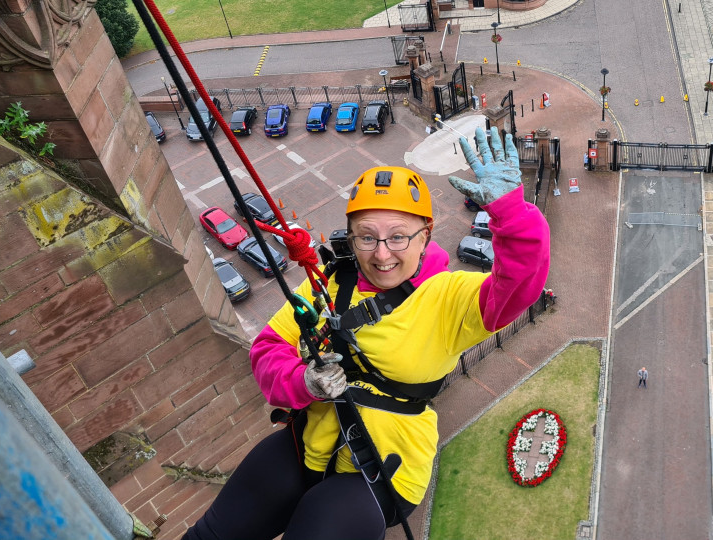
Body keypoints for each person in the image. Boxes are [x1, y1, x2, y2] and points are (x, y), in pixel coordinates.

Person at [181, 127, 550, 540]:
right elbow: (270, 348)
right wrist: (301, 381)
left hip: (383, 469)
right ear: (351, 238)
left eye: (398, 237)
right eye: (367, 237)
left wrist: (513, 215)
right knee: (214, 533)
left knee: (320, 524)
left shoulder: (448, 298)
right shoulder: (329, 283)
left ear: (425, 236)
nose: (382, 253)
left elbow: (518, 285)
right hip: (312, 439)